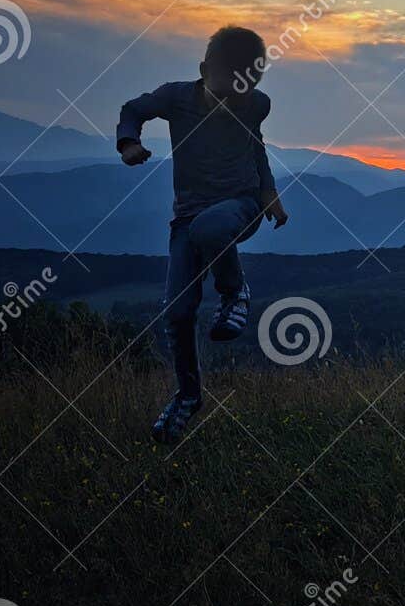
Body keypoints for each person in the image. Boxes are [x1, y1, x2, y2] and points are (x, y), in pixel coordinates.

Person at [116, 25, 289, 441]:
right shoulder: (176, 97)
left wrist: (268, 194)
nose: (231, 103)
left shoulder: (256, 104)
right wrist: (128, 144)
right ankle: (188, 396)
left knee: (211, 228)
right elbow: (132, 109)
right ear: (203, 70)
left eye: (241, 93)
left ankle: (235, 291)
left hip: (239, 207)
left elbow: (255, 145)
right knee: (176, 312)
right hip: (187, 218)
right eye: (223, 91)